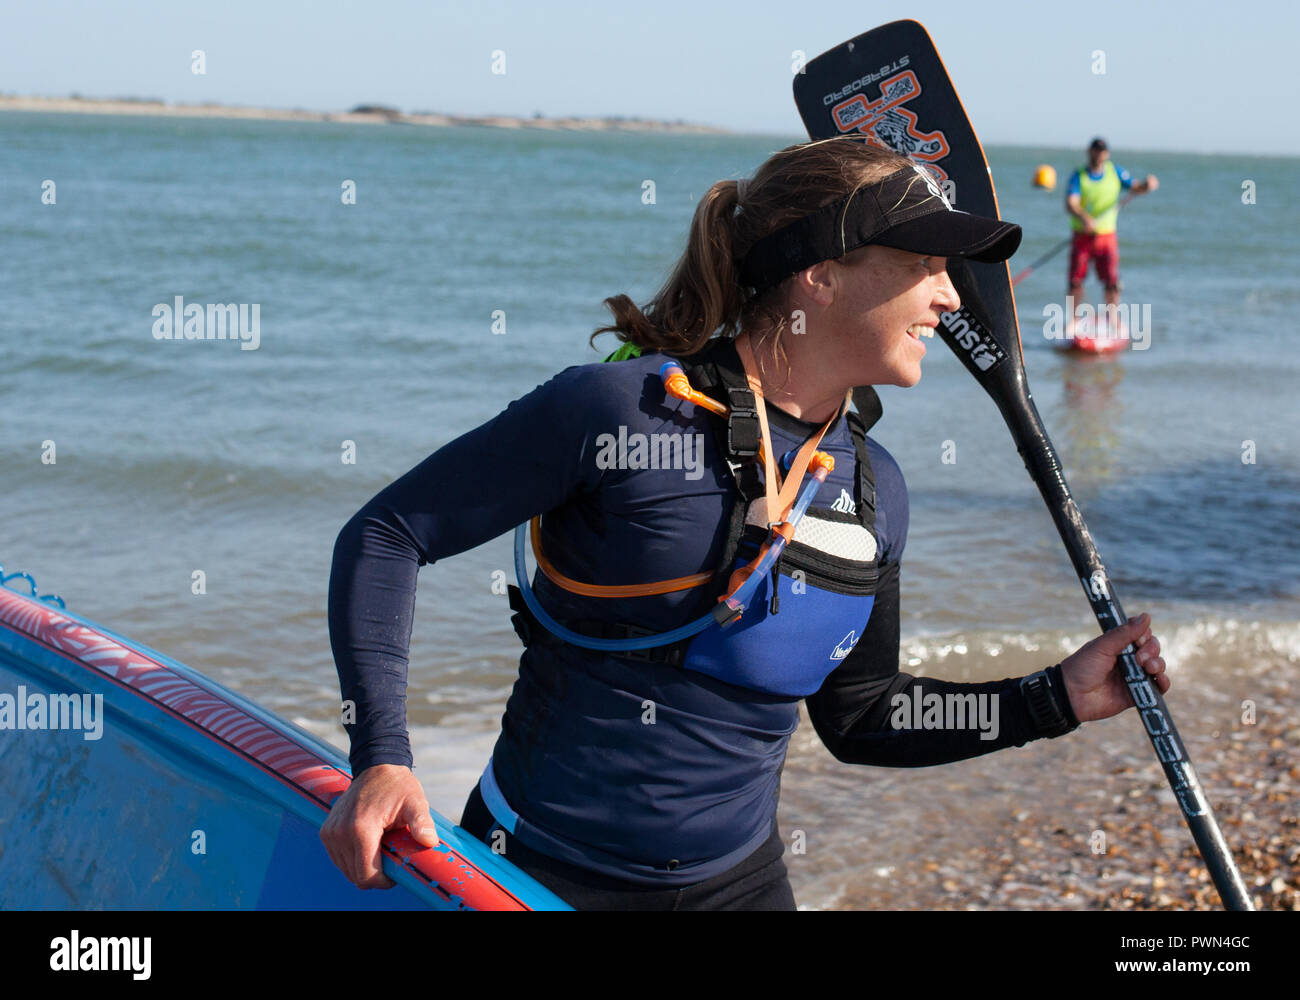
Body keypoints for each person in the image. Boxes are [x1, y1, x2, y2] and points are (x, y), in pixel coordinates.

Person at [321, 137, 1170, 911]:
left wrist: (1052, 697)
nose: (952, 295)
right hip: (534, 872)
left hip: (740, 887)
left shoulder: (875, 490)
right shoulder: (627, 412)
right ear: (821, 273)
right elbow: (389, 535)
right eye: (925, 262)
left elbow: (864, 717)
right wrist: (383, 757)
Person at [1065, 137, 1158, 318]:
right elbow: (1071, 203)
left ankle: (1113, 319)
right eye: (1095, 151)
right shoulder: (1079, 176)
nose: (1099, 155)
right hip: (1082, 235)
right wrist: (1084, 217)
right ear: (1089, 152)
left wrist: (1147, 185)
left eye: (1102, 152)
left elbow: (1136, 187)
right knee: (1075, 281)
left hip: (1106, 236)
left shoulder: (1115, 172)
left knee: (1111, 280)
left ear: (1106, 154)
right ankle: (1073, 321)